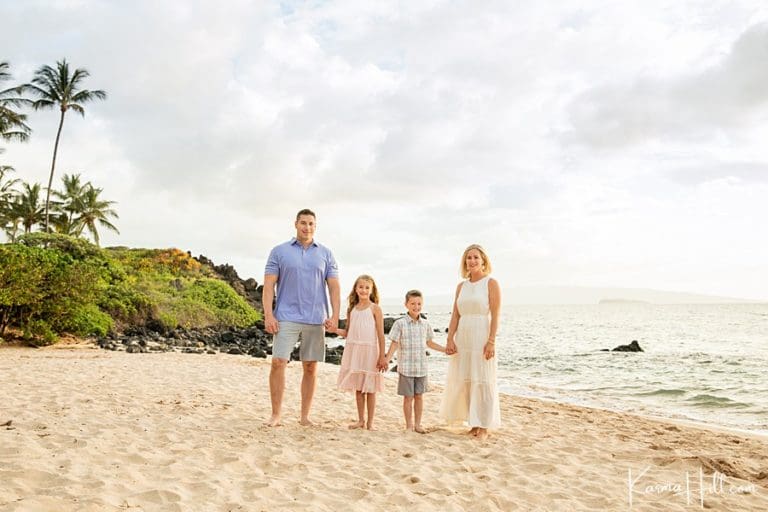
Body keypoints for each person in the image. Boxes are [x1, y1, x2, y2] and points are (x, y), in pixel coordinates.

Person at [262, 208, 341, 427]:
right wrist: (269, 314)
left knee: (310, 367)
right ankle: (276, 414)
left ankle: (305, 417)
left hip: (316, 318)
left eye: (311, 224)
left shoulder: (326, 254)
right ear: (295, 224)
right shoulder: (279, 251)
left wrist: (335, 315)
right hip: (286, 315)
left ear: (315, 226)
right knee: (278, 362)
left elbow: (334, 287)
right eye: (303, 223)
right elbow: (269, 286)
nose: (307, 227)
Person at [440, 244, 501, 440]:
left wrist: (491, 341)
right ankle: (473, 423)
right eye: (468, 258)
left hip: (481, 334)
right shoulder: (461, 286)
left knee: (483, 379)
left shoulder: (491, 283)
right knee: (466, 379)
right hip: (464, 336)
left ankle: (483, 425)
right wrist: (450, 338)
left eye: (475, 257)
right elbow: (456, 314)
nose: (472, 261)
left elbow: (496, 315)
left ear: (483, 260)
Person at [385, 290, 447, 433]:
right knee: (408, 398)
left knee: (419, 397)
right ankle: (408, 425)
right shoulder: (400, 324)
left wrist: (445, 350)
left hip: (421, 368)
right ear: (406, 304)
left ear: (422, 304)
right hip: (406, 368)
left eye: (419, 304)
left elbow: (430, 343)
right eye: (412, 303)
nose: (416, 306)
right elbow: (394, 343)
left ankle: (418, 425)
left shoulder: (425, 324)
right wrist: (387, 360)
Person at [335, 275, 387, 430]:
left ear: (371, 291)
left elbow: (380, 335)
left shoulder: (375, 309)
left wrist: (382, 356)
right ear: (355, 289)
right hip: (355, 351)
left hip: (370, 351)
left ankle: (370, 422)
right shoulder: (352, 309)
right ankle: (360, 420)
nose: (363, 290)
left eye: (367, 288)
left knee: (370, 389)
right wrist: (333, 329)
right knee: (358, 388)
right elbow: (347, 332)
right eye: (361, 287)